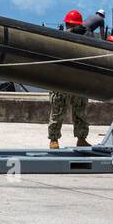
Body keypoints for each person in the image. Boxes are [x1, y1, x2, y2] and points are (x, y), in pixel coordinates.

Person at [47, 11, 90, 149]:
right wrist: (71, 32)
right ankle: (54, 139)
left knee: (80, 111)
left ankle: (81, 138)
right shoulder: (61, 37)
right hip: (61, 79)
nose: (69, 26)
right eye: (69, 25)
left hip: (78, 79)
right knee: (57, 110)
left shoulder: (85, 39)